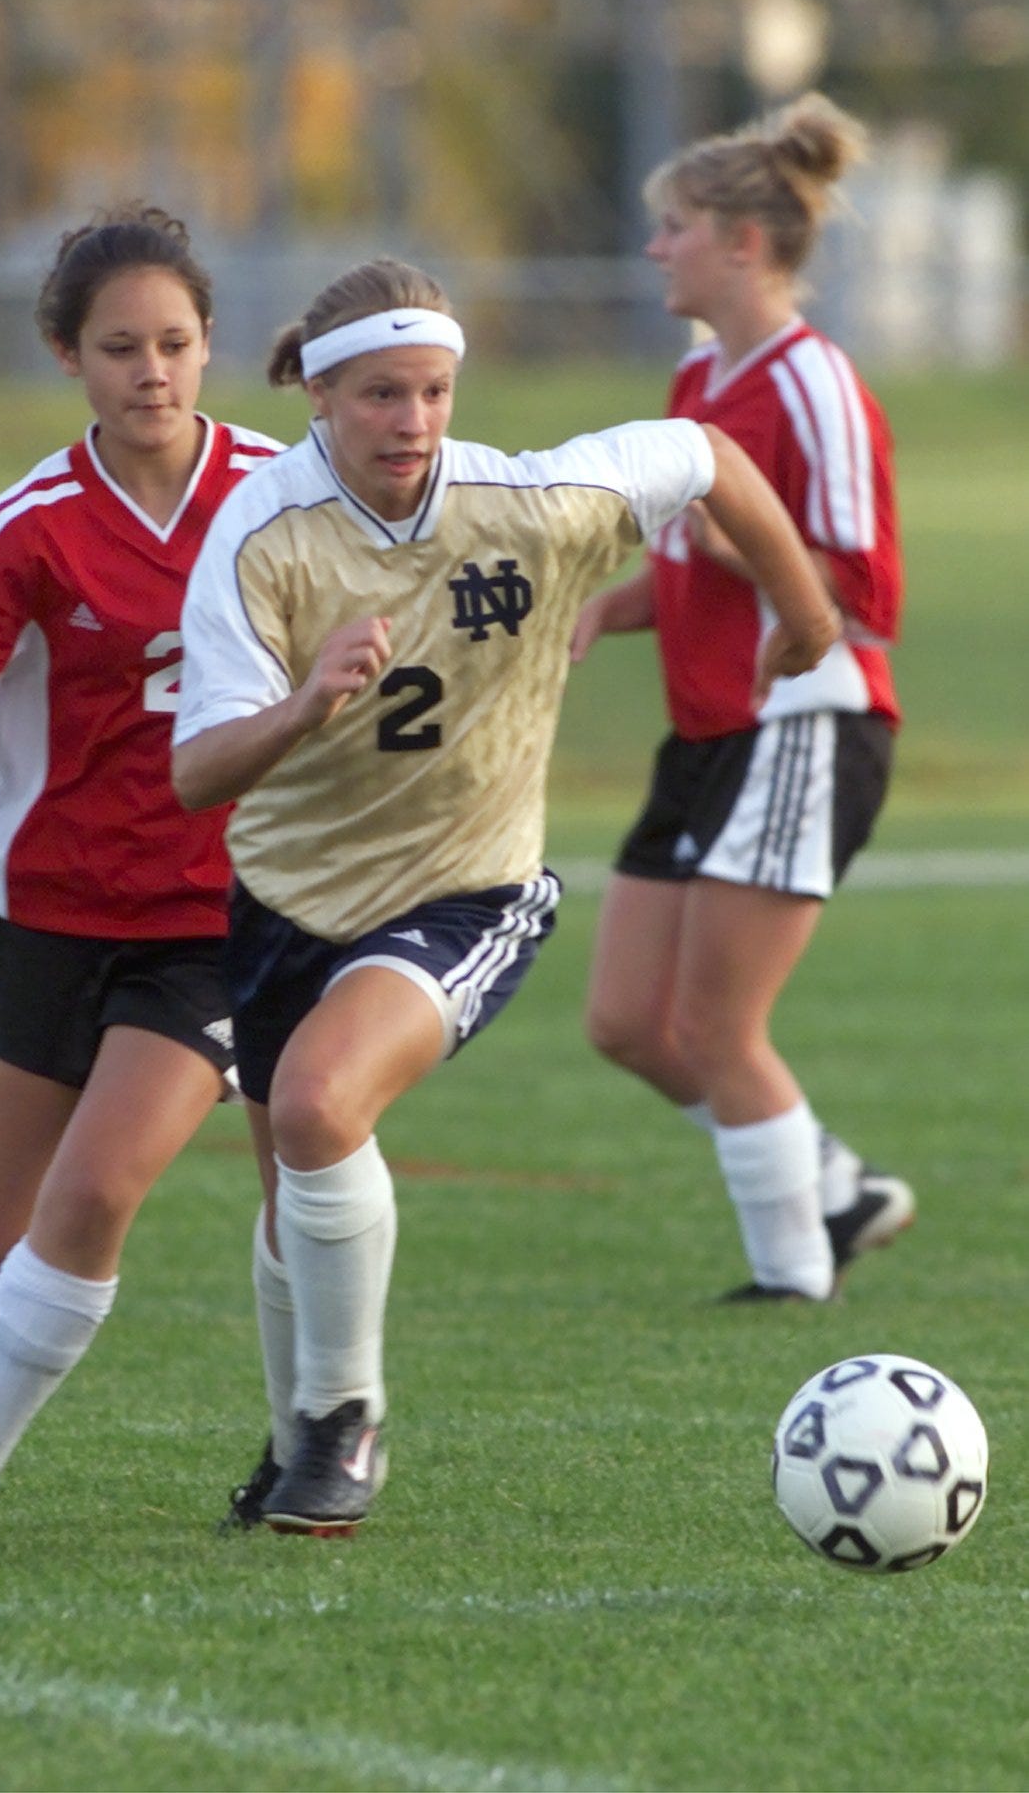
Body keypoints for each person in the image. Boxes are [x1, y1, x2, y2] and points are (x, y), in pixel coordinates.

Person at [170, 254, 841, 1538]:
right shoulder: (258, 538)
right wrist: (307, 701)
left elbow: (704, 455)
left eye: (430, 391)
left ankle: (342, 1423)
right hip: (285, 901)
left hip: (467, 890)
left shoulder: (530, 501)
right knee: (287, 1192)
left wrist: (800, 613)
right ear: (320, 397)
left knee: (317, 1103)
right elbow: (195, 770)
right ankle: (292, 1444)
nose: (412, 422)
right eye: (379, 395)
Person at [0, 204, 281, 1539]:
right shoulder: (29, 528)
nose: (152, 370)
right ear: (68, 356)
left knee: (95, 1194)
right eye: (120, 346)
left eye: (177, 343)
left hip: (211, 916)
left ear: (209, 348)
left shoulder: (277, 495)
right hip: (48, 917)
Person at [570, 94, 914, 1305]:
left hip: (804, 722)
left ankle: (791, 1276)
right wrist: (604, 609)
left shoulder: (810, 382)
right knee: (624, 1021)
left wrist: (733, 541)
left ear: (742, 244)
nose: (655, 247)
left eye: (674, 226)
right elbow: (687, 563)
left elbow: (861, 589)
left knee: (716, 1026)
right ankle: (827, 1182)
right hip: (708, 732)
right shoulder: (693, 376)